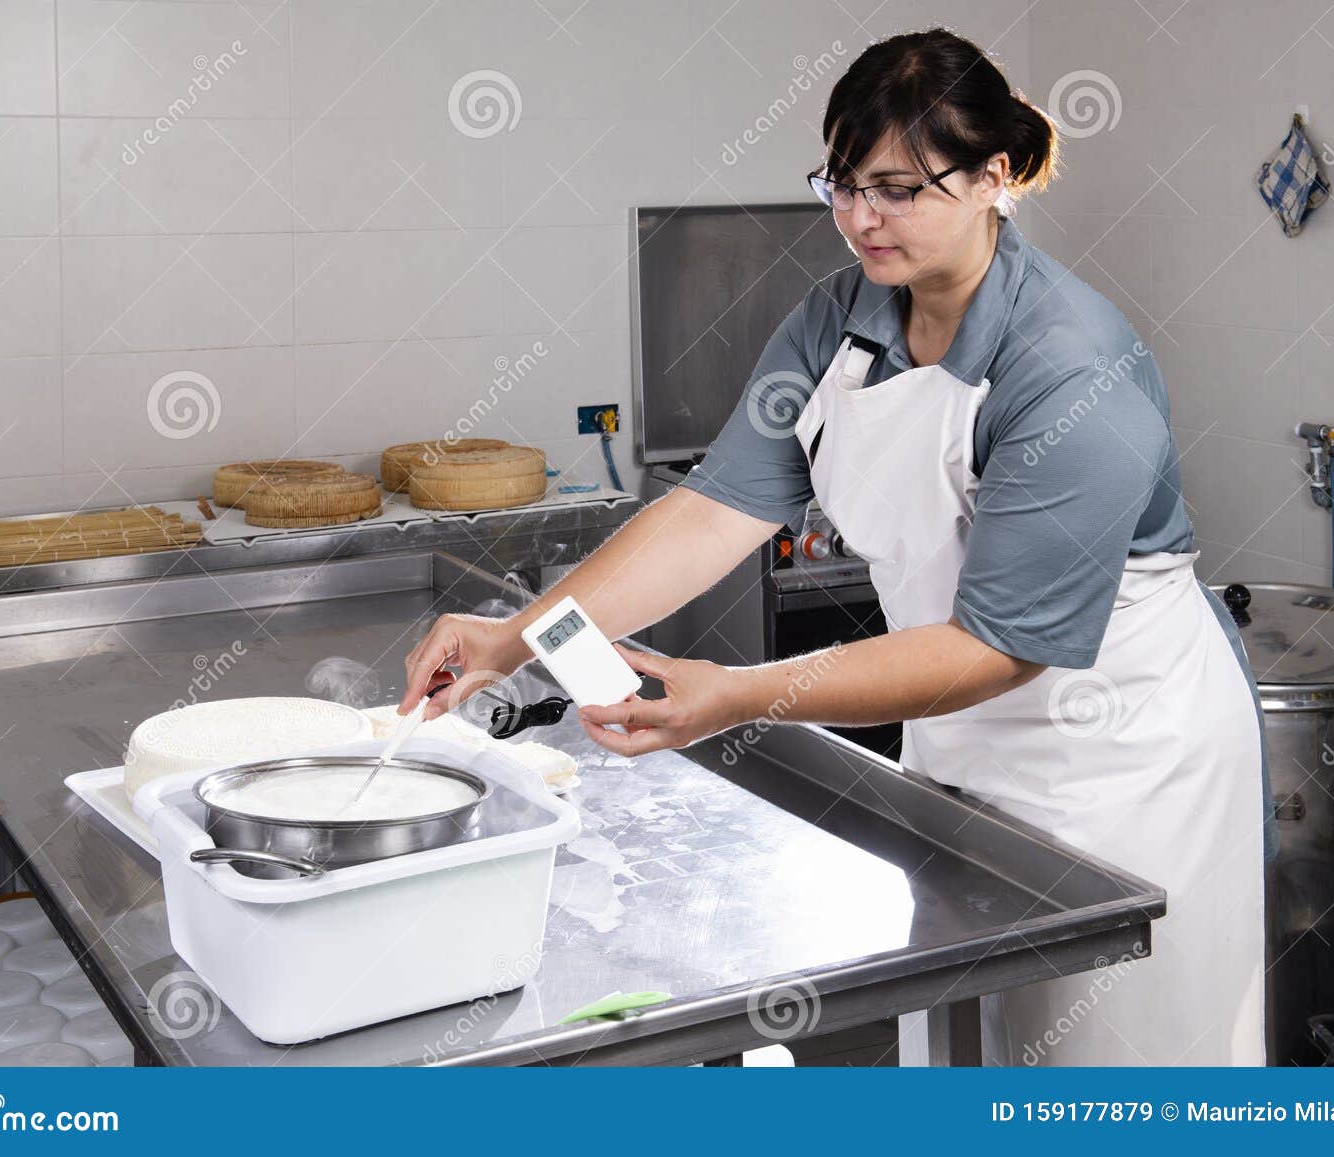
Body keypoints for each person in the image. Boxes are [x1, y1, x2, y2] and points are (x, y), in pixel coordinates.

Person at [400, 27, 1271, 1066]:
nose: (861, 218)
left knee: (1116, 1069)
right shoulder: (837, 322)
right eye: (844, 183)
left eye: (898, 187)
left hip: (1123, 758)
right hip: (957, 739)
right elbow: (712, 509)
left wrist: (734, 690)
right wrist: (519, 637)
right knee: (964, 1051)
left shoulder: (1069, 364)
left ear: (994, 176)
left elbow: (998, 644)